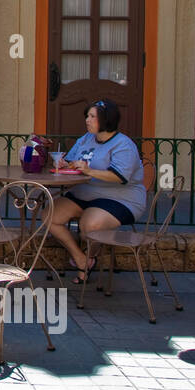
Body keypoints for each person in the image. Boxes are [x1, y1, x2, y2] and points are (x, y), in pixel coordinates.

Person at [45, 99, 147, 283]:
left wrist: (89, 170)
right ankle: (82, 258)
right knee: (49, 215)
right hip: (85, 193)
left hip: (120, 199)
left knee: (89, 225)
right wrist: (64, 163)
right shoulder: (86, 139)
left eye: (92, 116)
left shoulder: (123, 144)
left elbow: (120, 177)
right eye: (87, 116)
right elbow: (72, 162)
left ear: (106, 119)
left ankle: (87, 259)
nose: (87, 120)